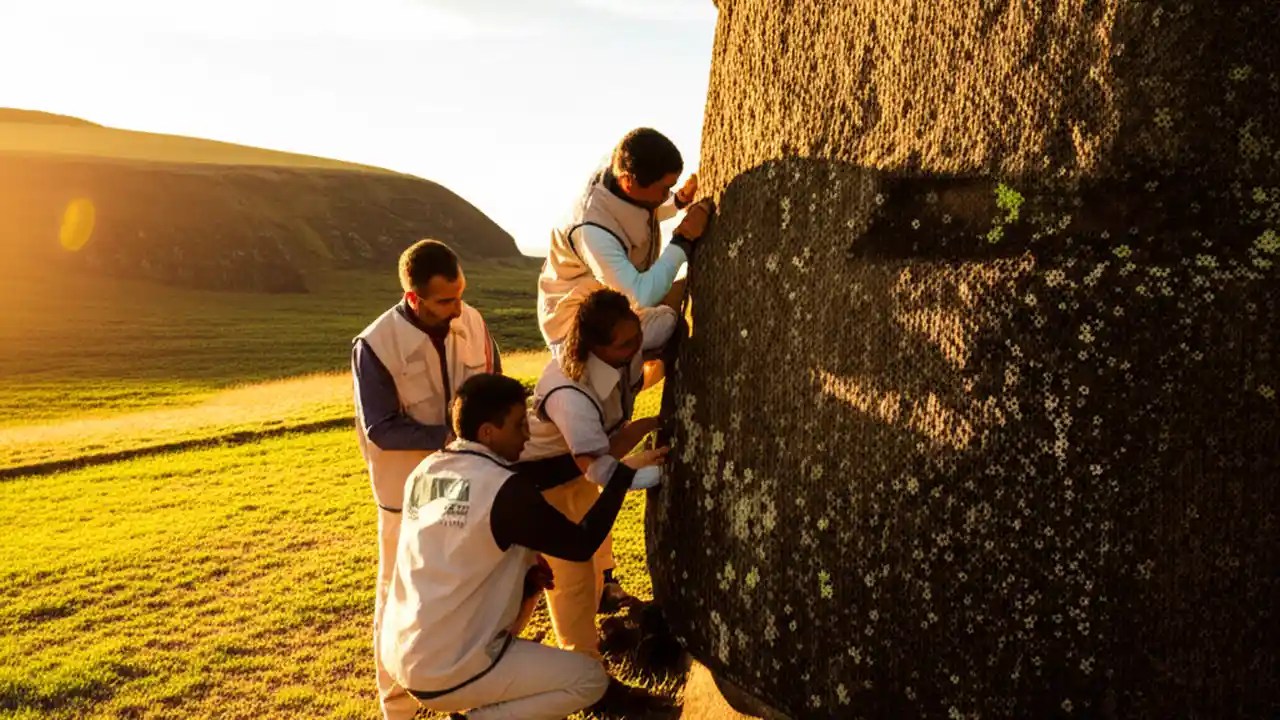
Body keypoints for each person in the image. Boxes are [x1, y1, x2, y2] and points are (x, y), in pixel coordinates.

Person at [379, 373, 669, 720]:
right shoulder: (503, 488)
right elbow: (580, 544)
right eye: (519, 425)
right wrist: (620, 477)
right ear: (488, 432)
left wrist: (521, 565)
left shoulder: (426, 470)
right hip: (451, 666)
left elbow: (461, 539)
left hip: (400, 650)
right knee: (589, 681)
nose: (528, 435)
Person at [352, 239, 501, 720]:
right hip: (406, 498)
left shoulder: (473, 322)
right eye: (446, 300)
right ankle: (397, 707)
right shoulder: (374, 344)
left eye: (460, 294)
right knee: (396, 597)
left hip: (470, 486)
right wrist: (454, 436)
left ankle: (462, 692)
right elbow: (381, 427)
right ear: (414, 298)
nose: (458, 308)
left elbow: (493, 387)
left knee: (466, 592)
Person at [521, 288, 665, 659]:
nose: (637, 346)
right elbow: (599, 469)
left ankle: (584, 652)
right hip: (540, 480)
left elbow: (661, 325)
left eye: (637, 336)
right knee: (568, 577)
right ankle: (584, 670)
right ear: (595, 347)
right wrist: (660, 477)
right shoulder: (569, 391)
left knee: (586, 573)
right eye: (626, 343)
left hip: (576, 469)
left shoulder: (625, 344)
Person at [537, 127, 714, 358]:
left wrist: (679, 200)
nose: (667, 194)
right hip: (576, 333)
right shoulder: (592, 232)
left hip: (607, 311)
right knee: (665, 322)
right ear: (629, 181)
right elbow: (640, 295)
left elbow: (638, 213)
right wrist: (684, 238)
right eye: (664, 189)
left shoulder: (619, 176)